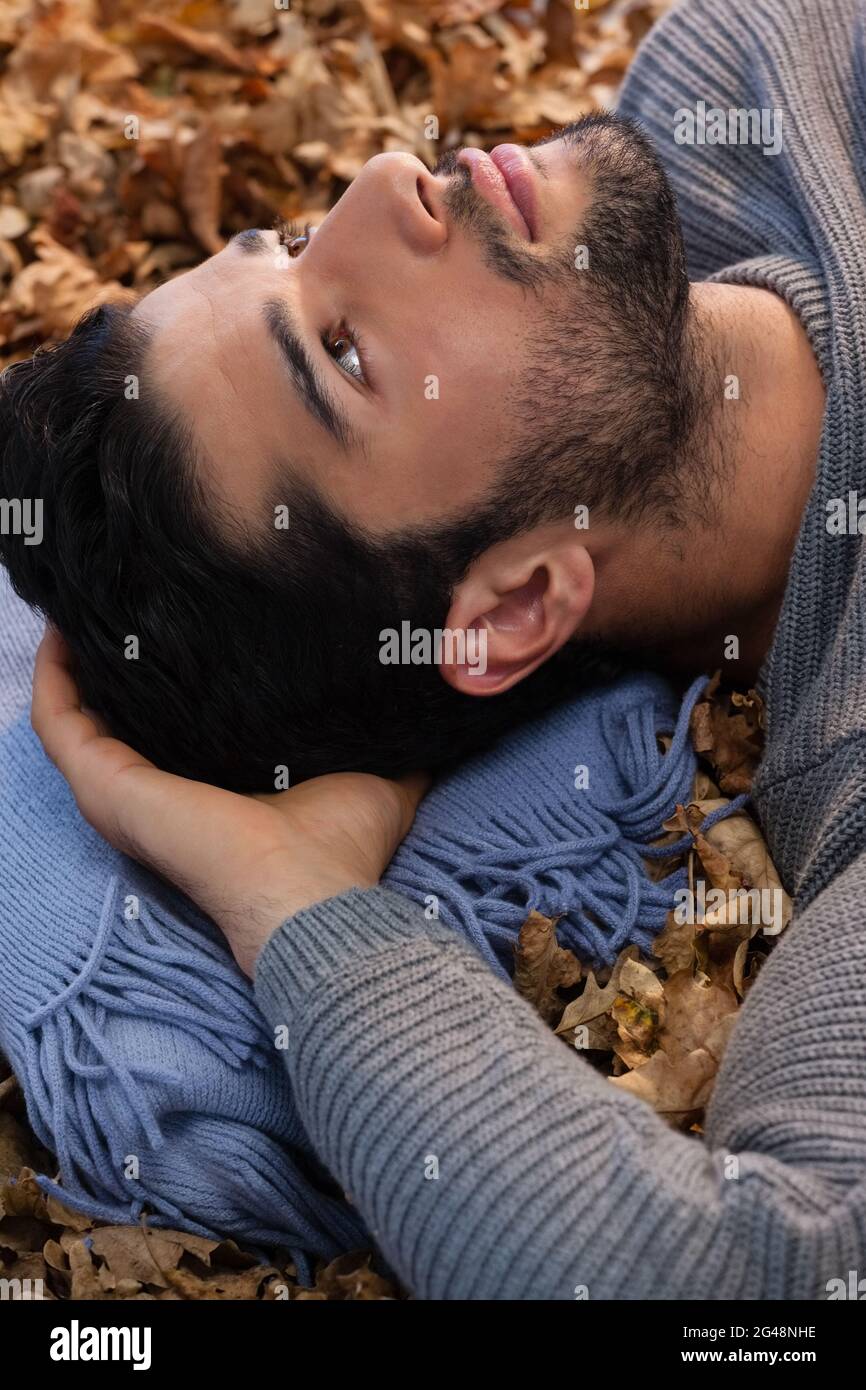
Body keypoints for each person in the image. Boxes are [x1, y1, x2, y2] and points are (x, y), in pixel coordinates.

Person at [17, 0, 866, 1297]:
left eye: (294, 244)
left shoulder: (750, 78)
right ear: (512, 608)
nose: (380, 184)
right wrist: (297, 903)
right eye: (343, 351)